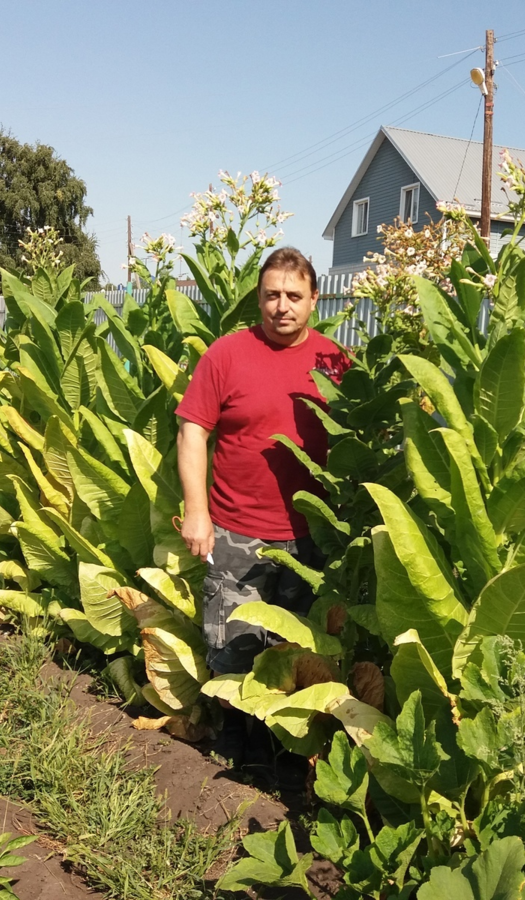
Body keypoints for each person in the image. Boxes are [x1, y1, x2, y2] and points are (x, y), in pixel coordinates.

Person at [174, 246, 349, 777]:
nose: (282, 306)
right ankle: (234, 736)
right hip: (236, 532)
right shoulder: (227, 354)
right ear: (259, 297)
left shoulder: (335, 361)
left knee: (295, 646)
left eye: (294, 296)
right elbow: (192, 431)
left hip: (311, 536)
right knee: (230, 643)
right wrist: (198, 512)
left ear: (314, 299)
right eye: (272, 295)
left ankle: (283, 745)